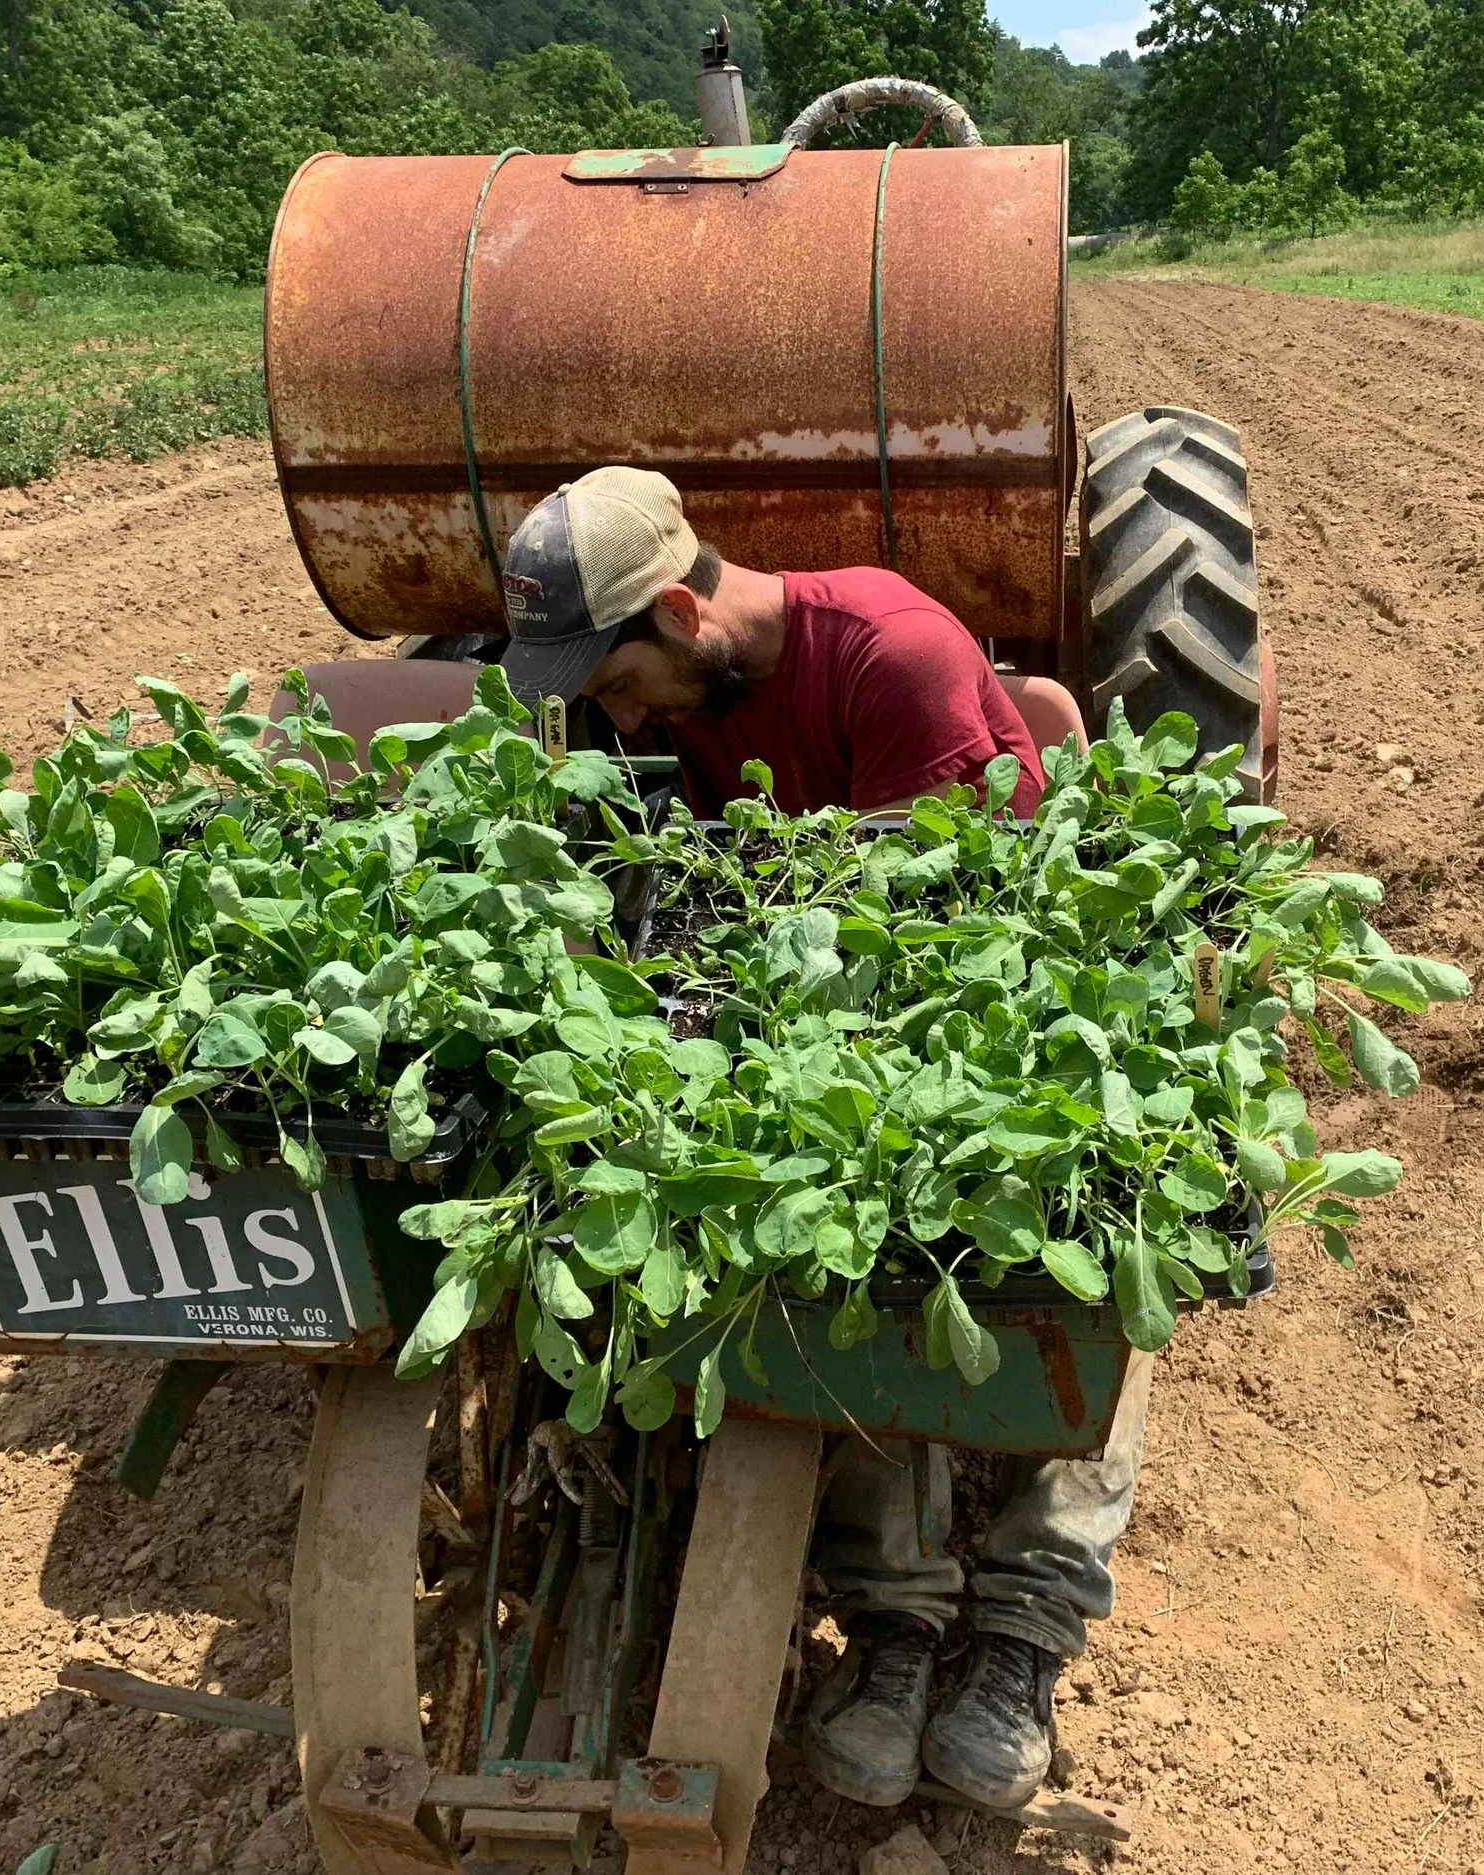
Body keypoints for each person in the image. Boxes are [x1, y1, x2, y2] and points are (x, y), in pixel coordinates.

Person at [493, 465, 1152, 1812]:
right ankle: (900, 1615)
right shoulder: (706, 693)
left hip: (992, 995)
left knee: (1085, 1251)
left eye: (619, 682)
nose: (618, 716)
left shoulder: (892, 653)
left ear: (683, 613)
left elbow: (957, 913)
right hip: (824, 1007)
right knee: (821, 1252)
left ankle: (1023, 1623)